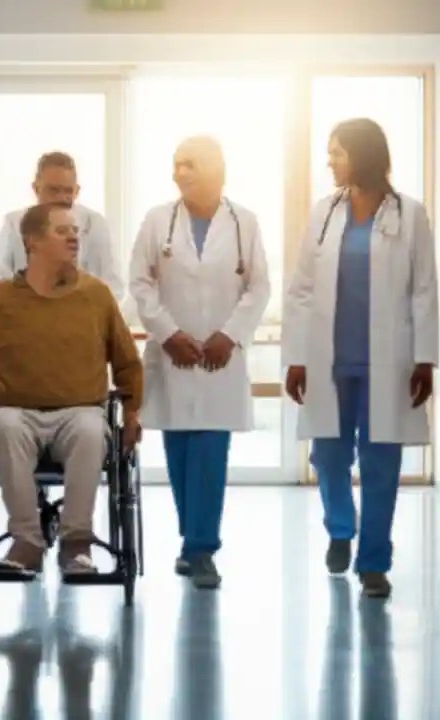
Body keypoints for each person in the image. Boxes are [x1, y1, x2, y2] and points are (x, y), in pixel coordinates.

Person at [0, 202, 143, 576]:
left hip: (80, 410)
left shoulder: (96, 295)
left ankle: (77, 545)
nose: (74, 237)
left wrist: (131, 414)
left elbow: (128, 363)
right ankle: (27, 543)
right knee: (3, 426)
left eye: (75, 230)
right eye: (62, 230)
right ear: (32, 241)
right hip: (16, 412)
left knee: (88, 428)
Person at [283, 118, 439, 599]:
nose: (329, 160)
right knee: (328, 454)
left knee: (380, 462)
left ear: (363, 154)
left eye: (337, 152)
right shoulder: (324, 213)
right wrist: (295, 357)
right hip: (329, 357)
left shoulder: (409, 214)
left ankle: (373, 563)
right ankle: (340, 528)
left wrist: (425, 358)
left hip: (387, 361)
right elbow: (302, 287)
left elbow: (424, 289)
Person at [128, 135, 271, 589]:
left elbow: (259, 286)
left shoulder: (244, 222)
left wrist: (231, 334)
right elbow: (140, 282)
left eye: (188, 164)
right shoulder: (157, 221)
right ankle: (193, 542)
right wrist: (168, 334)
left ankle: (201, 548)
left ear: (215, 167)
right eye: (175, 164)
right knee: (181, 452)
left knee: (211, 449)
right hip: (174, 354)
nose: (179, 172)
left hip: (219, 356)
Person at [0, 151, 124, 299]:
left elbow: (113, 284)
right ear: (36, 189)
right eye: (54, 190)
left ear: (77, 190)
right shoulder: (14, 223)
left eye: (68, 191)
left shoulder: (94, 224)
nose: (62, 198)